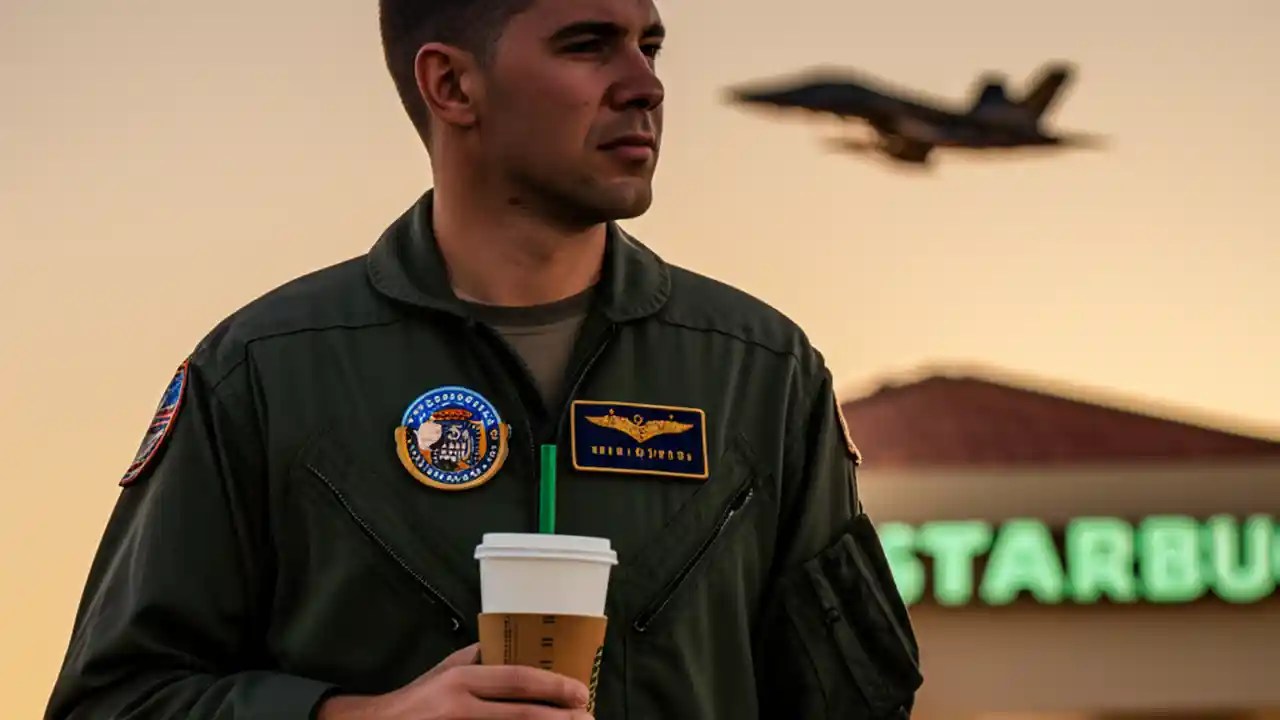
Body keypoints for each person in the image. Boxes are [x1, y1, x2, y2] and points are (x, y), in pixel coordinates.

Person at [44, 0, 923, 718]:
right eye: (589, 45)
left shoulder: (759, 373)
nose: (645, 85)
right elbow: (115, 702)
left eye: (650, 46)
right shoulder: (266, 370)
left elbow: (858, 703)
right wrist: (364, 719)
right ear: (452, 84)